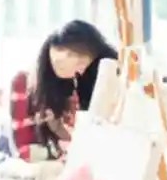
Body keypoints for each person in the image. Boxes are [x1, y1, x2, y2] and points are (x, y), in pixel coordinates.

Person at [6, 20, 118, 161]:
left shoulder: (96, 81)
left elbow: (93, 142)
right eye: (79, 65)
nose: (81, 71)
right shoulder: (24, 83)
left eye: (83, 66)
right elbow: (24, 151)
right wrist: (59, 152)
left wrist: (63, 135)